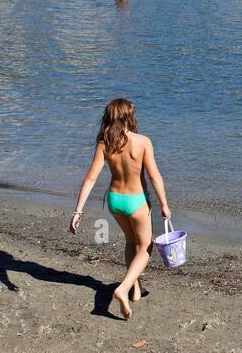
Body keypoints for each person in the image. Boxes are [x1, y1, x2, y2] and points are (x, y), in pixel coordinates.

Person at [69, 98, 171, 321]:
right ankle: (123, 288)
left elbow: (90, 178)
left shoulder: (105, 142)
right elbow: (154, 176)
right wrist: (164, 204)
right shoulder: (143, 141)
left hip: (115, 200)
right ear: (129, 117)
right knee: (145, 247)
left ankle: (136, 290)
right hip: (137, 201)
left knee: (130, 242)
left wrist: (78, 212)